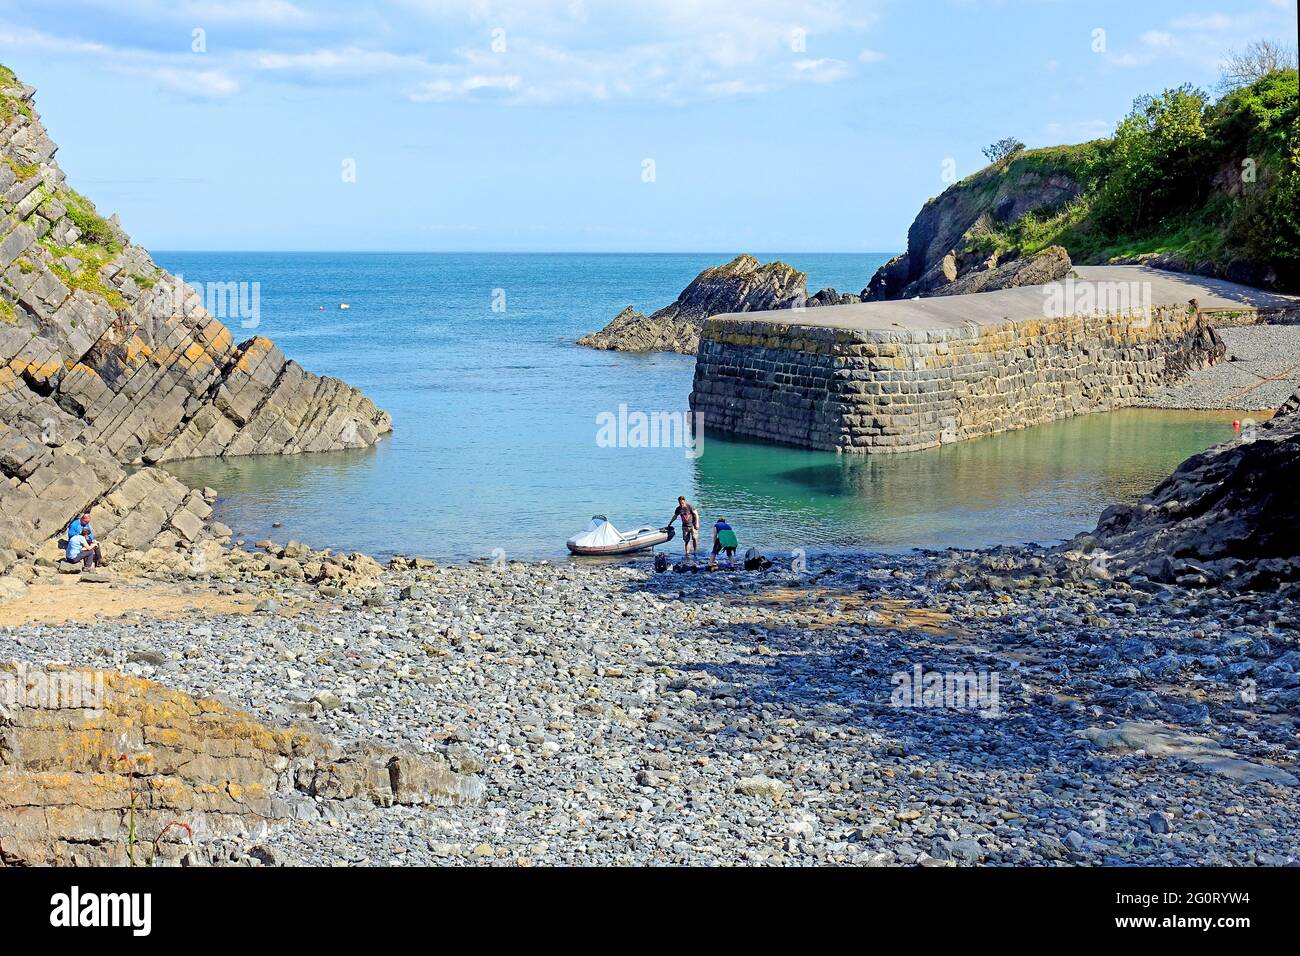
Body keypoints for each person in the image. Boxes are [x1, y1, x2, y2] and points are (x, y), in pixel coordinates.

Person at [667, 495, 700, 561]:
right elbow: (675, 516)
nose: (681, 504)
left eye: (682, 503)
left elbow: (696, 514)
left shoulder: (689, 506)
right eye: (680, 503)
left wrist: (697, 523)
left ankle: (695, 552)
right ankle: (687, 553)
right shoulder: (678, 509)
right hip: (685, 526)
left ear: (684, 501)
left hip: (692, 525)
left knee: (695, 538)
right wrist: (670, 523)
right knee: (686, 540)